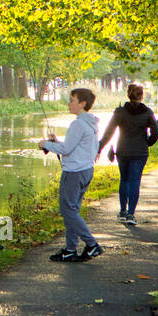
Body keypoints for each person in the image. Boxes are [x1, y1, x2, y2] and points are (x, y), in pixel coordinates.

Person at [39, 88, 102, 262]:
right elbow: (75, 147)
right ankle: (70, 249)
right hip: (85, 170)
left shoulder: (78, 124)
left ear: (82, 103)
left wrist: (45, 144)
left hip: (74, 173)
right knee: (72, 210)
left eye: (72, 100)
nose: (69, 103)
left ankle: (91, 244)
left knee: (68, 211)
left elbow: (66, 150)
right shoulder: (91, 123)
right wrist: (56, 142)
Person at [98, 84, 158, 224]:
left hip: (123, 150)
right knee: (135, 181)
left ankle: (122, 210)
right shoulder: (148, 112)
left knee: (124, 179)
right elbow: (155, 133)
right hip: (140, 151)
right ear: (141, 95)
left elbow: (109, 131)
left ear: (128, 95)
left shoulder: (120, 112)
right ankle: (131, 214)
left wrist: (100, 147)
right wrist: (147, 142)